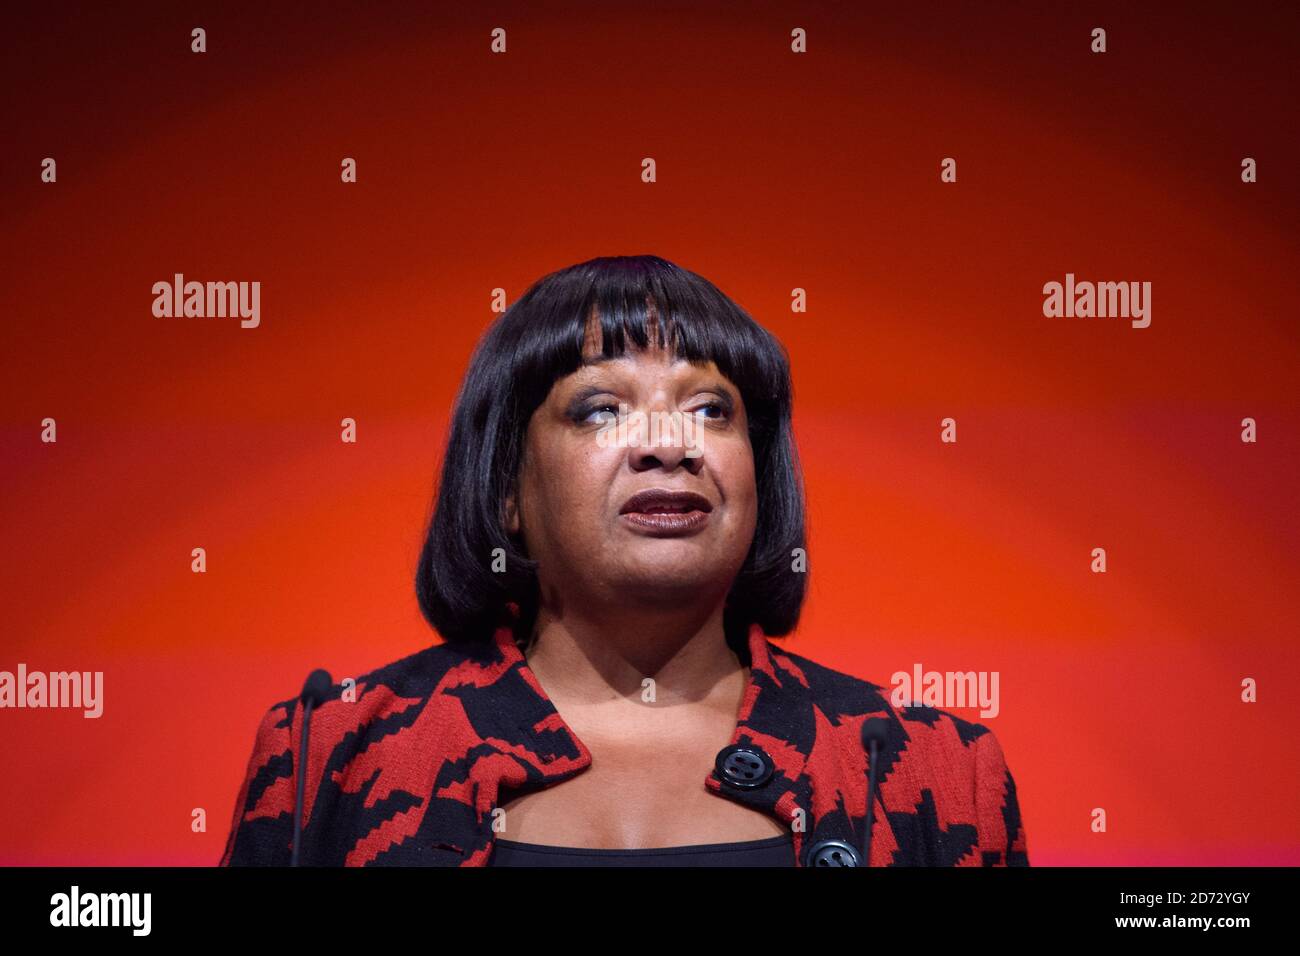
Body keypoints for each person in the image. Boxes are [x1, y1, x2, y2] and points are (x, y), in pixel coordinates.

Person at [220, 254, 1029, 867]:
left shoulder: (933, 771)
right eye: (600, 408)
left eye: (711, 410)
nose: (668, 445)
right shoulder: (328, 756)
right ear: (507, 487)